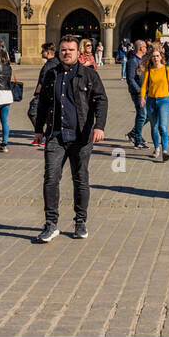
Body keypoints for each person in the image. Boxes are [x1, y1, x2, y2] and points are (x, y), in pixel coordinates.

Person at [31, 35, 108, 242]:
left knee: (80, 179)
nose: (67, 53)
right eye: (63, 50)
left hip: (81, 136)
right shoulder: (51, 75)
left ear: (77, 53)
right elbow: (43, 104)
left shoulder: (88, 75)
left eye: (71, 50)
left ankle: (80, 221)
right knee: (50, 179)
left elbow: (101, 100)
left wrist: (99, 126)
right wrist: (39, 129)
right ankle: (51, 223)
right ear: (59, 52)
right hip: (56, 136)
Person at [139, 44, 169, 162]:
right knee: (154, 127)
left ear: (161, 57)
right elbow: (144, 86)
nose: (155, 58)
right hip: (151, 101)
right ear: (151, 58)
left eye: (157, 56)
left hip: (164, 101)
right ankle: (157, 148)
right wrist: (142, 98)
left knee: (163, 127)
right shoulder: (149, 71)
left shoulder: (167, 70)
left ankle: (165, 151)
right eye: (153, 56)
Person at [28, 41, 58, 149]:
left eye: (43, 51)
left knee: (32, 112)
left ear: (48, 52)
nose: (41, 53)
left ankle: (43, 135)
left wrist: (37, 94)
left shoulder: (49, 65)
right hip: (50, 95)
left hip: (43, 94)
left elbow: (43, 82)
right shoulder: (56, 62)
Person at [123, 39, 150, 149]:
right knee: (142, 115)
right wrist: (140, 92)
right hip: (138, 93)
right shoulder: (132, 61)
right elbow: (130, 79)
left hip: (145, 92)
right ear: (140, 48)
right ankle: (137, 140)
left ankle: (133, 133)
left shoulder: (143, 59)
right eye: (145, 47)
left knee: (148, 115)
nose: (146, 49)